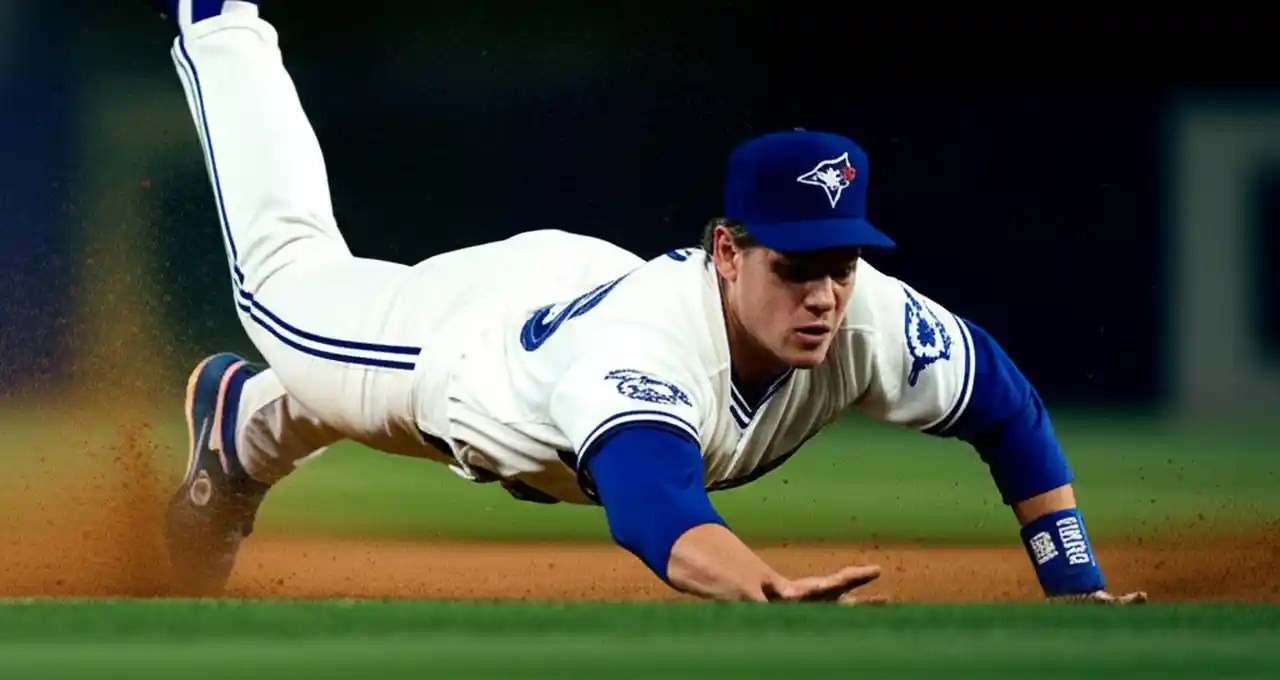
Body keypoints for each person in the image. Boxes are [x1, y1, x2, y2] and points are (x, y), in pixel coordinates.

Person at [152, 0, 1146, 604]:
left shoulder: (864, 313)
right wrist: (759, 586)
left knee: (341, 385)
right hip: (456, 353)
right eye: (795, 266)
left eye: (840, 262)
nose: (823, 294)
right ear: (728, 253)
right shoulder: (648, 350)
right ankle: (220, 20)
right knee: (285, 278)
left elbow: (1003, 405)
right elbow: (652, 508)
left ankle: (246, 426)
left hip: (579, 299)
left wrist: (1074, 582)